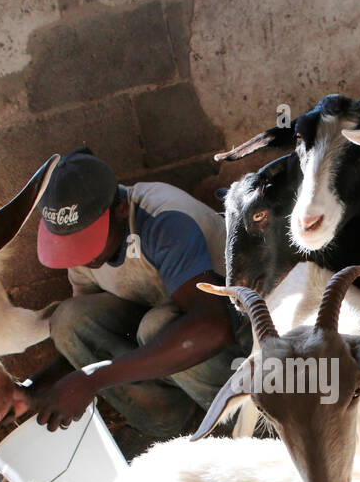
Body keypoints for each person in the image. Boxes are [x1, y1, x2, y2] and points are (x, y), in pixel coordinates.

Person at [25, 147, 250, 436]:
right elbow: (85, 337)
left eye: (87, 241)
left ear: (120, 209)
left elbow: (212, 326)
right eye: (70, 245)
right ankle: (179, 428)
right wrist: (33, 390)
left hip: (243, 340)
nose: (80, 256)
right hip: (173, 342)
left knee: (157, 327)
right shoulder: (85, 256)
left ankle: (244, 425)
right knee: (67, 320)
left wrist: (95, 378)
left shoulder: (164, 219)